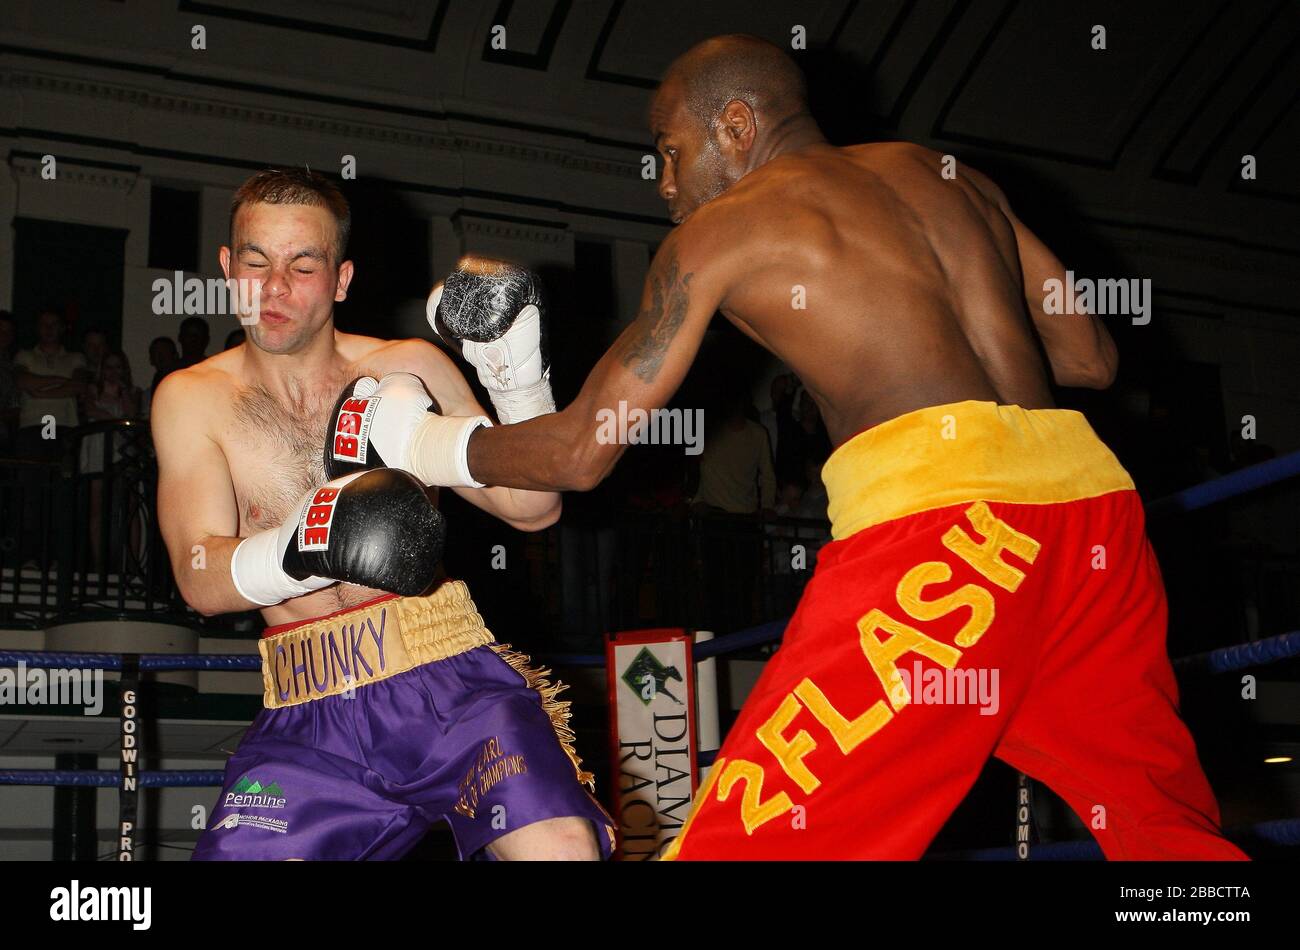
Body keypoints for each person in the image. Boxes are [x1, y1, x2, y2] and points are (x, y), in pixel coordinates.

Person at [358, 35, 1247, 860]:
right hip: (1092, 513)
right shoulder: (948, 175)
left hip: (948, 532)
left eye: (669, 150)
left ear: (737, 124)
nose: (662, 183)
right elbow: (1090, 355)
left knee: (745, 839)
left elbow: (586, 452)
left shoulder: (721, 231)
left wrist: (423, 442)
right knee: (1161, 827)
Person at [152, 168, 611, 861]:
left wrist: (517, 379)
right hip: (308, 713)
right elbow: (198, 575)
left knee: (560, 847)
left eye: (302, 266)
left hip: (448, 682)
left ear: (341, 279)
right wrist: (311, 543)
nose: (273, 288)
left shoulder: (409, 366)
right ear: (225, 266)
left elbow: (531, 506)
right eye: (255, 262)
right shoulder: (191, 398)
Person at [79, 350, 142, 572]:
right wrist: (115, 421)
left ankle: (133, 564)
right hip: (97, 448)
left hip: (124, 451)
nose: (112, 372)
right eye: (108, 366)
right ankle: (98, 563)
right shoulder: (92, 390)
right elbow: (90, 410)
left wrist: (122, 394)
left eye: (117, 367)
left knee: (132, 507)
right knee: (97, 508)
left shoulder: (132, 392)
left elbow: (132, 413)